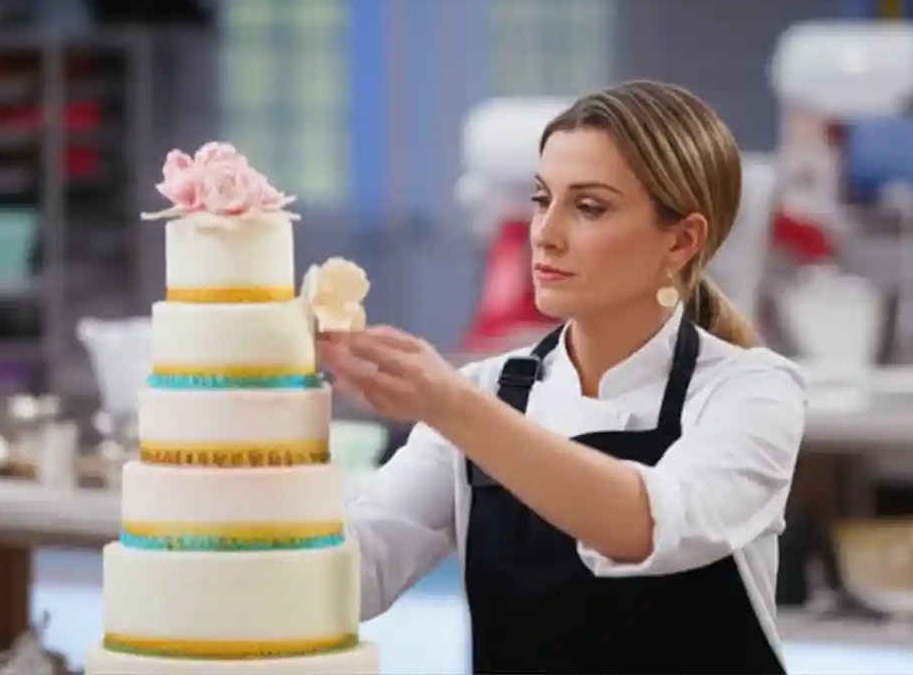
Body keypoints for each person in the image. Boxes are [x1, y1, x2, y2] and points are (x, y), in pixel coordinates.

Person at [318, 80, 805, 674]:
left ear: (680, 240)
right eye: (541, 199)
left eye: (589, 207)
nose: (545, 232)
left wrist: (452, 407)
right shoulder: (487, 393)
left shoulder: (749, 391)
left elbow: (647, 526)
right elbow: (352, 578)